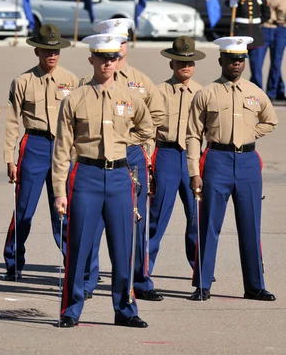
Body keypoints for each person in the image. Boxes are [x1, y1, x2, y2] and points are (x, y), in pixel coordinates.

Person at [53, 33, 154, 328]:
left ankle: (125, 309)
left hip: (121, 176)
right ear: (91, 60)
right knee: (79, 245)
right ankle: (71, 309)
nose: (108, 63)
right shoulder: (75, 98)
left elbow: (146, 129)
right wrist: (60, 190)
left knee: (123, 247)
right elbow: (61, 148)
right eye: (102, 57)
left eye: (113, 57)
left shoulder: (130, 96)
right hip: (86, 175)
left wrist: (123, 142)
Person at [186, 36, 277, 301]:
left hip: (248, 162)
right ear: (221, 61)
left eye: (240, 59)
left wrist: (250, 133)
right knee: (209, 224)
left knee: (250, 224)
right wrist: (194, 171)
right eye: (231, 59)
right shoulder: (206, 93)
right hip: (217, 159)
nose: (236, 64)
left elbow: (270, 121)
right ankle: (202, 284)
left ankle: (254, 286)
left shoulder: (255, 92)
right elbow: (193, 134)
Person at [83, 18, 164, 301]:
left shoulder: (140, 81)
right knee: (92, 223)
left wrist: (140, 143)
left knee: (136, 220)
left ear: (126, 45)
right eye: (112, 40)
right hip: (97, 158)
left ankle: (139, 280)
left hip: (130, 154)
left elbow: (157, 116)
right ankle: (87, 280)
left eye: (122, 40)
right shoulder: (89, 84)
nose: (117, 46)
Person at [2, 24, 78, 281]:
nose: (52, 55)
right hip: (33, 146)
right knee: (23, 209)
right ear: (37, 50)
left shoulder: (72, 81)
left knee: (64, 209)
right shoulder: (23, 81)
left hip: (62, 149)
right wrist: (9, 158)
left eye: (55, 50)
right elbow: (13, 121)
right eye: (46, 50)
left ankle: (74, 264)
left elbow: (78, 121)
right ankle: (13, 263)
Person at [147, 36, 205, 289]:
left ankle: (201, 269)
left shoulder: (202, 93)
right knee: (156, 217)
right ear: (171, 63)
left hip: (193, 159)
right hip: (166, 155)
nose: (185, 67)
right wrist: (148, 164)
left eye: (190, 63)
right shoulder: (158, 92)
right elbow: (148, 129)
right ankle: (144, 268)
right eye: (181, 62)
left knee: (197, 217)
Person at [226, 0, 271, 88]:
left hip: (256, 36)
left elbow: (267, 14)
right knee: (235, 67)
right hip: (240, 35)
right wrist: (232, 1)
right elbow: (228, 5)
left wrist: (257, 23)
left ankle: (258, 91)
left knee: (257, 69)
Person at [260, 0, 286, 102]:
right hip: (265, 28)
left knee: (276, 63)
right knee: (258, 63)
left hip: (280, 28)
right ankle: (275, 90)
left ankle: (272, 92)